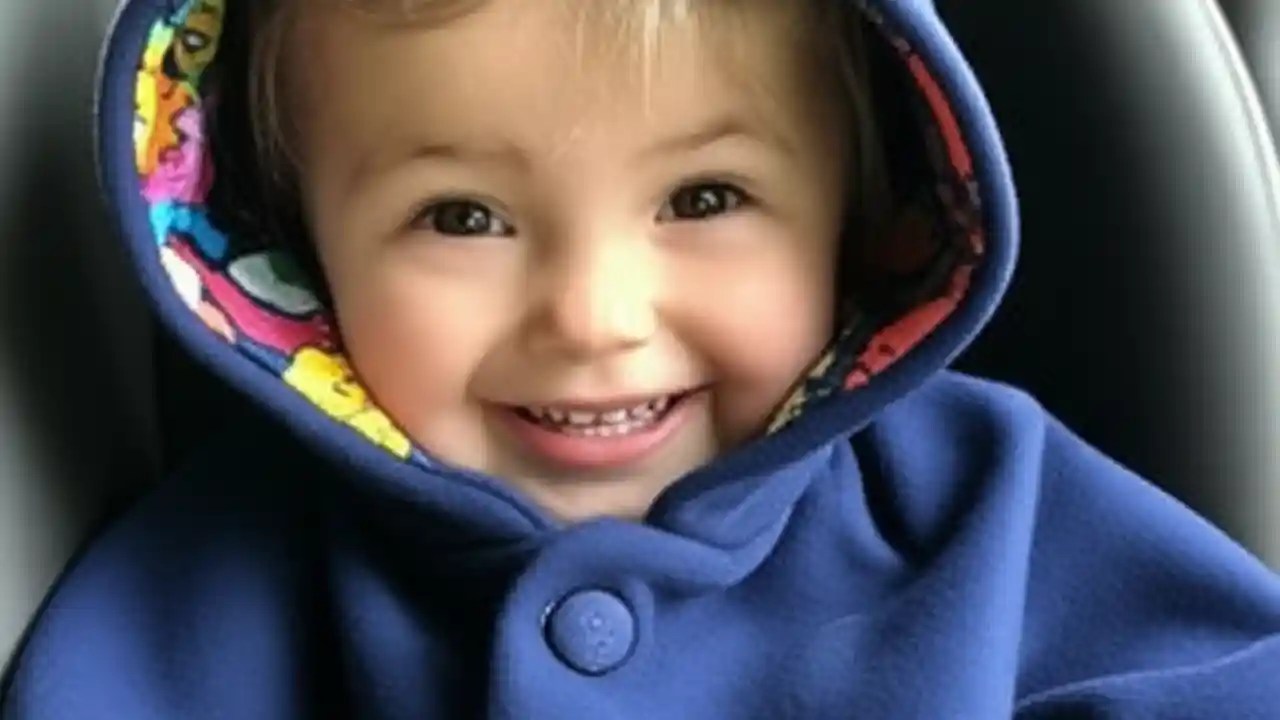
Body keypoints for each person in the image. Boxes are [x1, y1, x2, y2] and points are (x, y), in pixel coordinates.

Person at [5, 0, 1280, 717]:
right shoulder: (212, 587)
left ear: (860, 211)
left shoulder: (981, 505)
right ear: (291, 250)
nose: (593, 316)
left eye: (705, 197)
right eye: (462, 218)